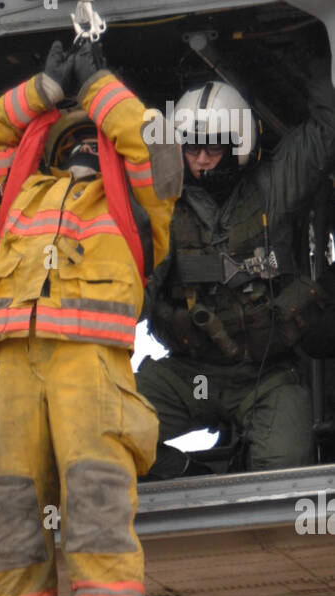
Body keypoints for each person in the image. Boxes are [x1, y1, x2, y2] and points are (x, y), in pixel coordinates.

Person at [0, 37, 183, 596]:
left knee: (96, 494)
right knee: (10, 505)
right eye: (76, 141)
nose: (88, 148)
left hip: (89, 365)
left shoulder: (136, 203)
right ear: (56, 149)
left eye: (97, 143)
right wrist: (45, 89)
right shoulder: (16, 195)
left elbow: (153, 143)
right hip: (9, 367)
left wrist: (98, 85)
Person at [137, 59, 335, 478]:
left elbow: (325, 130)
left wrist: (319, 46)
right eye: (191, 149)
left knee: (283, 470)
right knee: (100, 427)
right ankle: (190, 477)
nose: (201, 161)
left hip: (264, 376)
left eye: (213, 149)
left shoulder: (272, 189)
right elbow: (133, 292)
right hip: (189, 375)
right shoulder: (161, 204)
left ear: (239, 145)